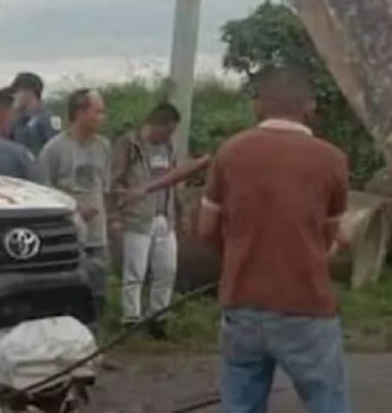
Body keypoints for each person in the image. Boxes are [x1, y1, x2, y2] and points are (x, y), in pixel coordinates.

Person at [200, 66, 352, 413]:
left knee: (240, 404)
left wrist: (238, 257)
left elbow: (207, 229)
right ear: (310, 107)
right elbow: (332, 236)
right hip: (306, 305)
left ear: (258, 106)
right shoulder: (331, 159)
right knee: (327, 402)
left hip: (241, 301)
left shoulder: (230, 152)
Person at [110, 103, 210, 339]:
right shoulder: (129, 146)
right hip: (137, 216)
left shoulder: (169, 147)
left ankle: (159, 317)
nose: (169, 135)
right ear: (155, 125)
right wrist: (115, 213)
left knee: (166, 270)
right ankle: (131, 319)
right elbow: (113, 180)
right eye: (167, 130)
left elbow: (175, 181)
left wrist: (183, 210)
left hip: (164, 216)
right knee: (135, 272)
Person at [36, 89, 110, 317]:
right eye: (97, 111)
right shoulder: (54, 149)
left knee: (97, 293)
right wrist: (74, 209)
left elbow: (104, 187)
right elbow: (43, 191)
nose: (102, 117)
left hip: (97, 235)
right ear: (79, 112)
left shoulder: (103, 147)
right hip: (68, 236)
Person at [6, 72, 61, 157]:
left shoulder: (48, 117)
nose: (14, 96)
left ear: (29, 92)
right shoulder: (17, 121)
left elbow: (56, 149)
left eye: (16, 92)